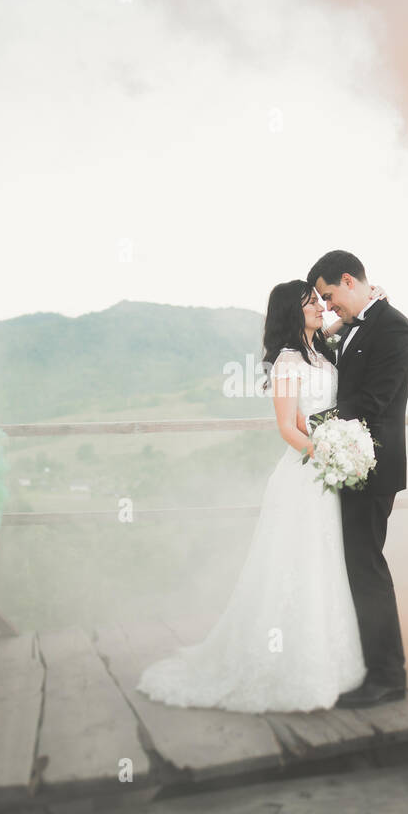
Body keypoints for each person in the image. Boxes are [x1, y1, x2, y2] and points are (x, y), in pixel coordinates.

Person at [135, 277, 387, 712]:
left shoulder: (316, 350)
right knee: (295, 565)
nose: (320, 308)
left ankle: (332, 661)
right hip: (305, 475)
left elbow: (335, 330)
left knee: (324, 565)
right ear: (295, 311)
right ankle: (286, 667)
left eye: (319, 301)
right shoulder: (289, 361)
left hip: (324, 478)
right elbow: (288, 428)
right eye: (312, 303)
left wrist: (369, 301)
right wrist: (329, 453)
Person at [306, 250, 408, 707]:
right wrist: (331, 329)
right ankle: (365, 664)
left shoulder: (394, 328)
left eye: (331, 298)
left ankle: (388, 676)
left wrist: (311, 424)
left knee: (367, 569)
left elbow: (372, 401)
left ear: (349, 280)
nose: (331, 308)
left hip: (375, 468)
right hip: (352, 466)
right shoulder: (357, 327)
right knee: (356, 567)